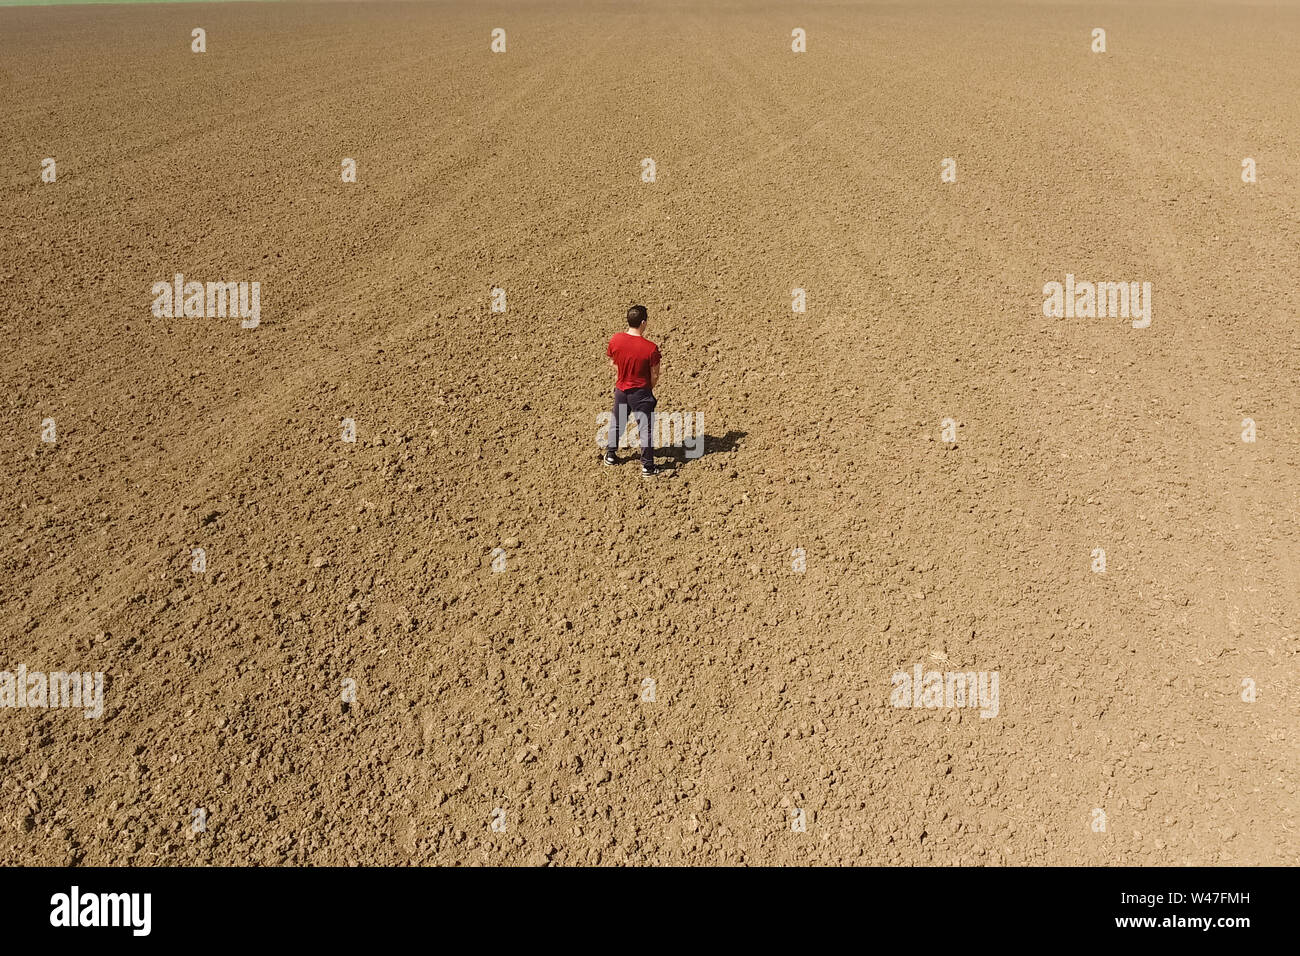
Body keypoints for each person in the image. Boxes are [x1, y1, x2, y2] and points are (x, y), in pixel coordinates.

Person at [604, 304, 667, 477]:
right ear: (644, 323)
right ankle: (648, 466)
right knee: (645, 430)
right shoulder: (650, 348)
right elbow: (655, 375)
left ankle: (610, 455)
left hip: (621, 390)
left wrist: (623, 376)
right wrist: (647, 389)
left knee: (617, 423)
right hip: (641, 393)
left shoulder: (616, 340)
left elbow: (612, 363)